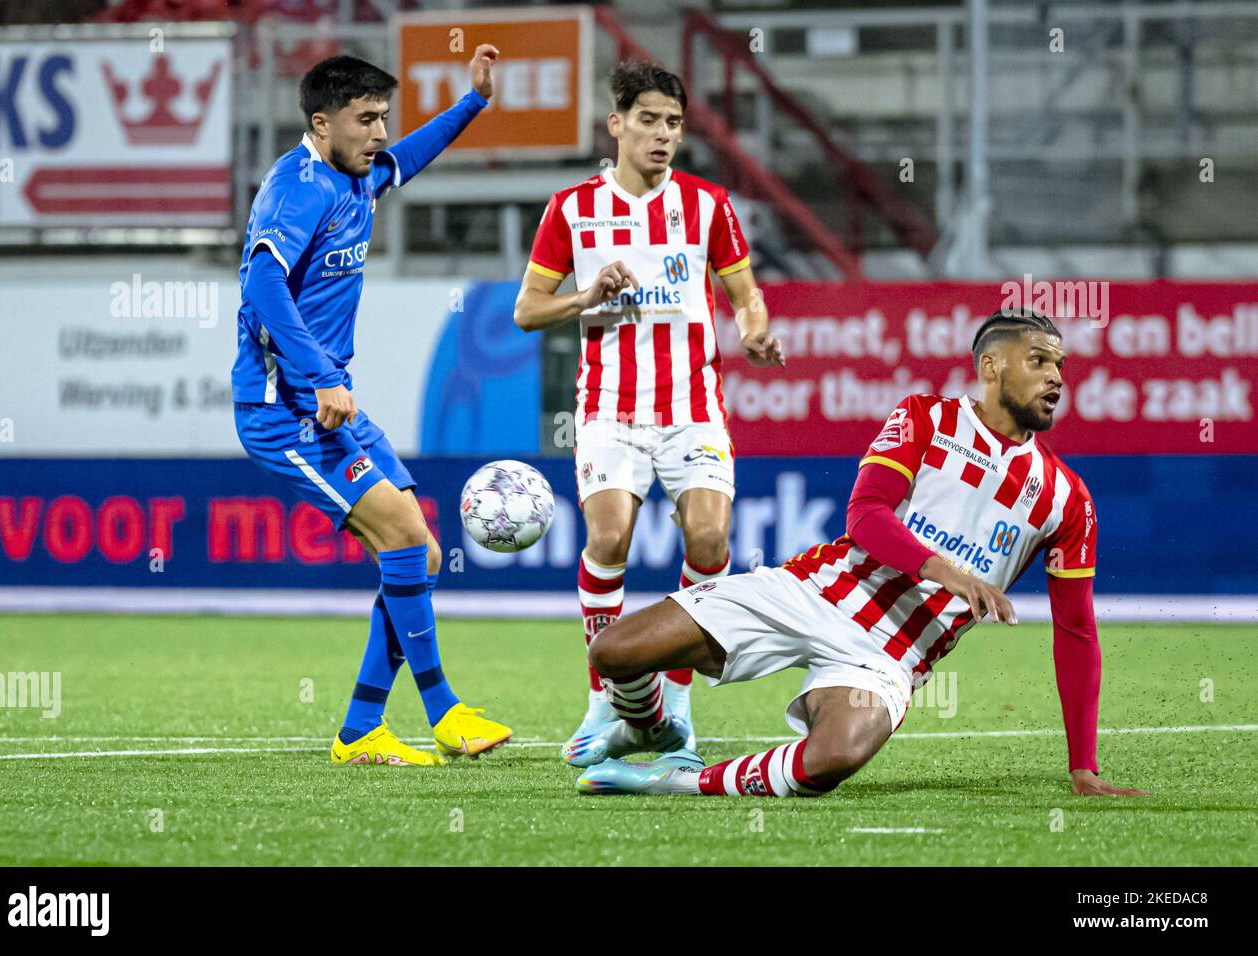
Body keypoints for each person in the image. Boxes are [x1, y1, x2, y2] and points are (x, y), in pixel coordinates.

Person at [576, 310, 1151, 799]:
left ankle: (675, 781)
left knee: (834, 756)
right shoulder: (927, 417)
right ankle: (652, 729)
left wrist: (1083, 767)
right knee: (614, 651)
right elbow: (866, 515)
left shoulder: (1067, 499)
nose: (1055, 378)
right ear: (992, 366)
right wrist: (944, 571)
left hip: (889, 657)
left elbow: (1076, 630)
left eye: (1060, 367)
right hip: (810, 593)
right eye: (1039, 361)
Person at [232, 50, 513, 767]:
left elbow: (410, 157)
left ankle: (361, 728)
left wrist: (471, 104)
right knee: (401, 534)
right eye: (365, 119)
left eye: (384, 116)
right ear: (321, 123)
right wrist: (321, 374)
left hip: (328, 404)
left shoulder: (359, 174)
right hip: (283, 408)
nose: (381, 132)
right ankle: (444, 711)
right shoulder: (297, 189)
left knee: (415, 547)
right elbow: (263, 282)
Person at [513, 60, 784, 767]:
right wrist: (585, 296)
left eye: (673, 124)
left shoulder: (709, 205)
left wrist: (754, 326)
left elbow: (745, 292)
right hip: (609, 407)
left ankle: (680, 698)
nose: (663, 135)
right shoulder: (571, 209)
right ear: (617, 125)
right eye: (649, 121)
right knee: (608, 541)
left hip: (693, 406)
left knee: (709, 542)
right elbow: (526, 310)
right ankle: (606, 695)